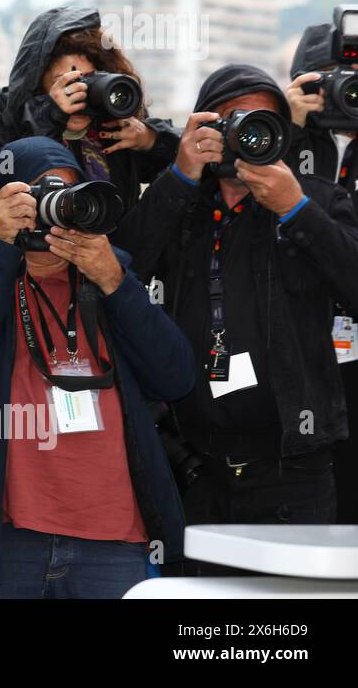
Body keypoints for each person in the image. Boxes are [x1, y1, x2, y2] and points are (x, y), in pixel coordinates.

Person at [0, 137, 194, 598]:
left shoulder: (110, 275)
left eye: (70, 194)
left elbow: (176, 377)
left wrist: (113, 279)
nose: (56, 207)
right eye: (39, 193)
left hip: (111, 538)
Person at [116, 64, 358, 550]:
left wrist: (296, 208)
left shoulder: (317, 201)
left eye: (260, 121)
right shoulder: (181, 202)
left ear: (281, 135)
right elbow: (122, 266)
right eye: (229, 120)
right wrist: (180, 174)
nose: (245, 132)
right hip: (194, 464)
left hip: (294, 466)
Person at [0, 7, 177, 215]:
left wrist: (150, 139)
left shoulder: (114, 126)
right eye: (65, 83)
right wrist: (49, 115)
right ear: (37, 84)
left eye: (89, 80)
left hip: (108, 245)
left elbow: (183, 175)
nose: (79, 92)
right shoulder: (9, 111)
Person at [285, 22, 358, 521]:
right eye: (329, 79)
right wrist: (285, 130)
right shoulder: (279, 147)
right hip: (296, 360)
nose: (345, 91)